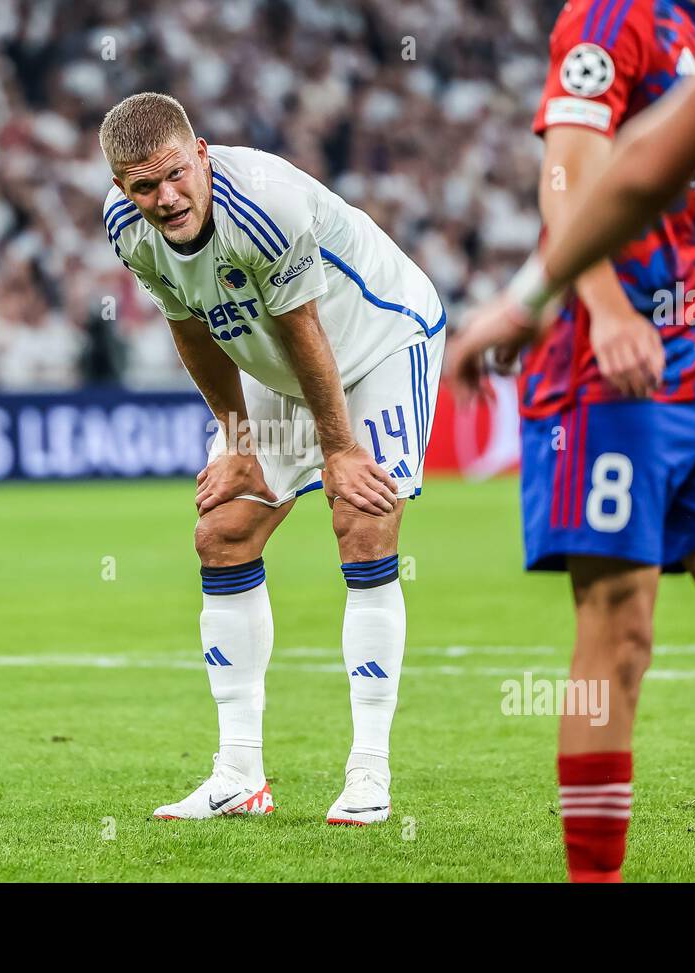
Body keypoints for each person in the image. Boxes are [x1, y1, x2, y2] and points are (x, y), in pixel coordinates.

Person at [447, 0, 695, 883]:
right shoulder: (612, 17)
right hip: (601, 372)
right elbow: (569, 179)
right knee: (621, 632)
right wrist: (605, 309)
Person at [100, 92, 446, 825]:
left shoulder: (264, 205)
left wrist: (339, 450)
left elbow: (306, 327)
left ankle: (368, 771)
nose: (164, 199)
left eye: (173, 176)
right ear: (121, 187)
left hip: (379, 343)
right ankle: (238, 774)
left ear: (201, 154)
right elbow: (190, 327)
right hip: (281, 364)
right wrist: (239, 439)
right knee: (223, 527)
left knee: (361, 514)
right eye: (141, 187)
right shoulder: (127, 230)